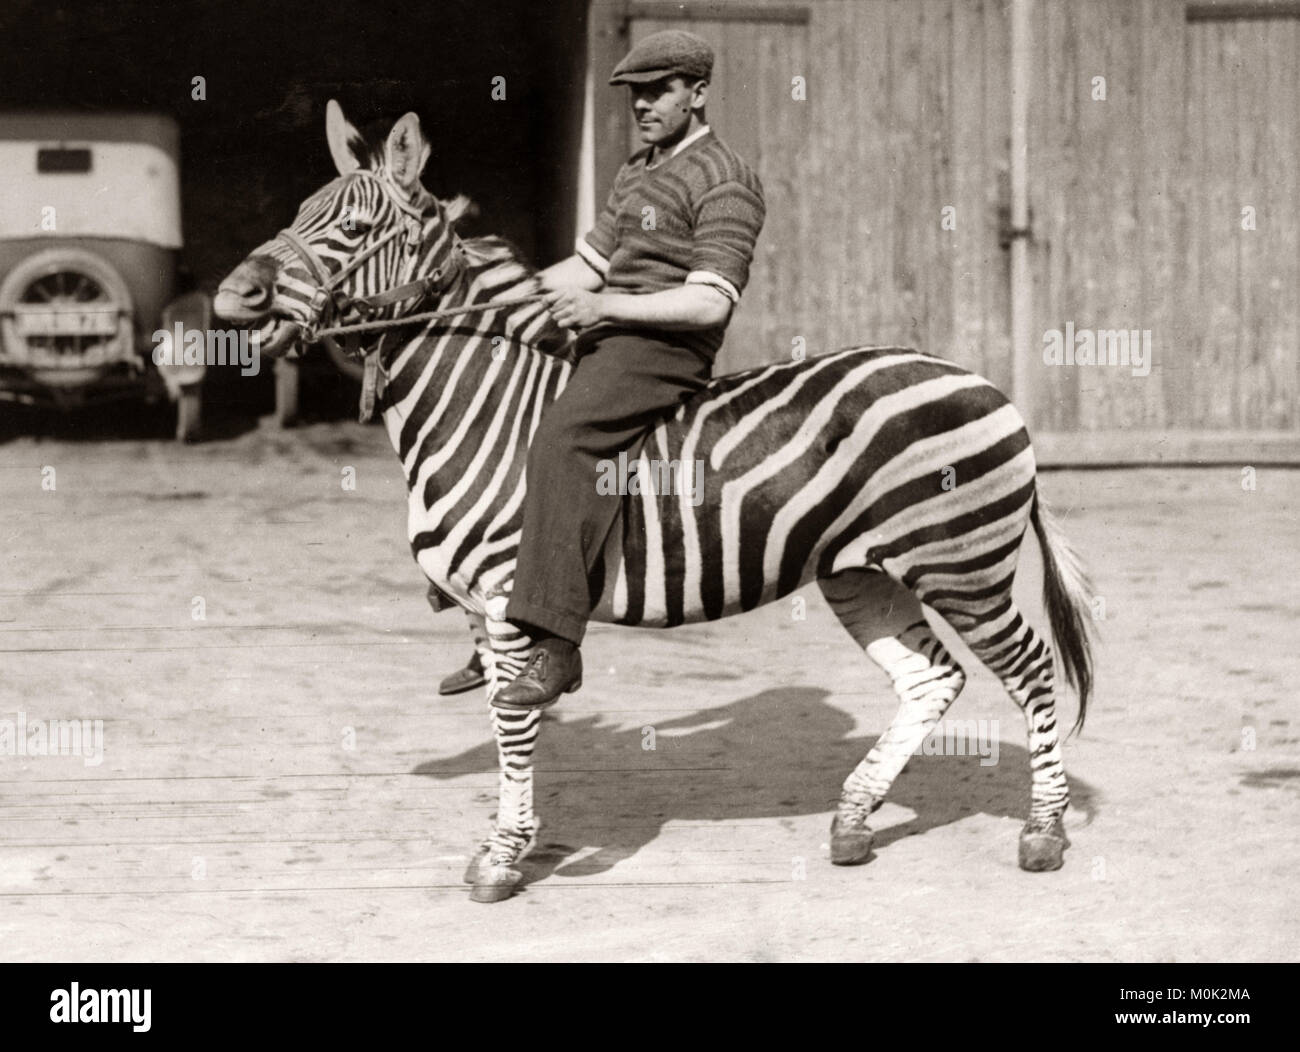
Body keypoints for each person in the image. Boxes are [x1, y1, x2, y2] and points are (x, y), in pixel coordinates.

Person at [491, 29, 766, 711]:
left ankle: (556, 646)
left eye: (659, 90)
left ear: (697, 93)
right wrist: (500, 299)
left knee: (565, 440)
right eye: (635, 93)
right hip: (611, 330)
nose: (642, 104)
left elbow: (709, 302)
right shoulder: (636, 169)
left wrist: (604, 307)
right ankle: (481, 609)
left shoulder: (726, 177)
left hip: (664, 349)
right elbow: (588, 265)